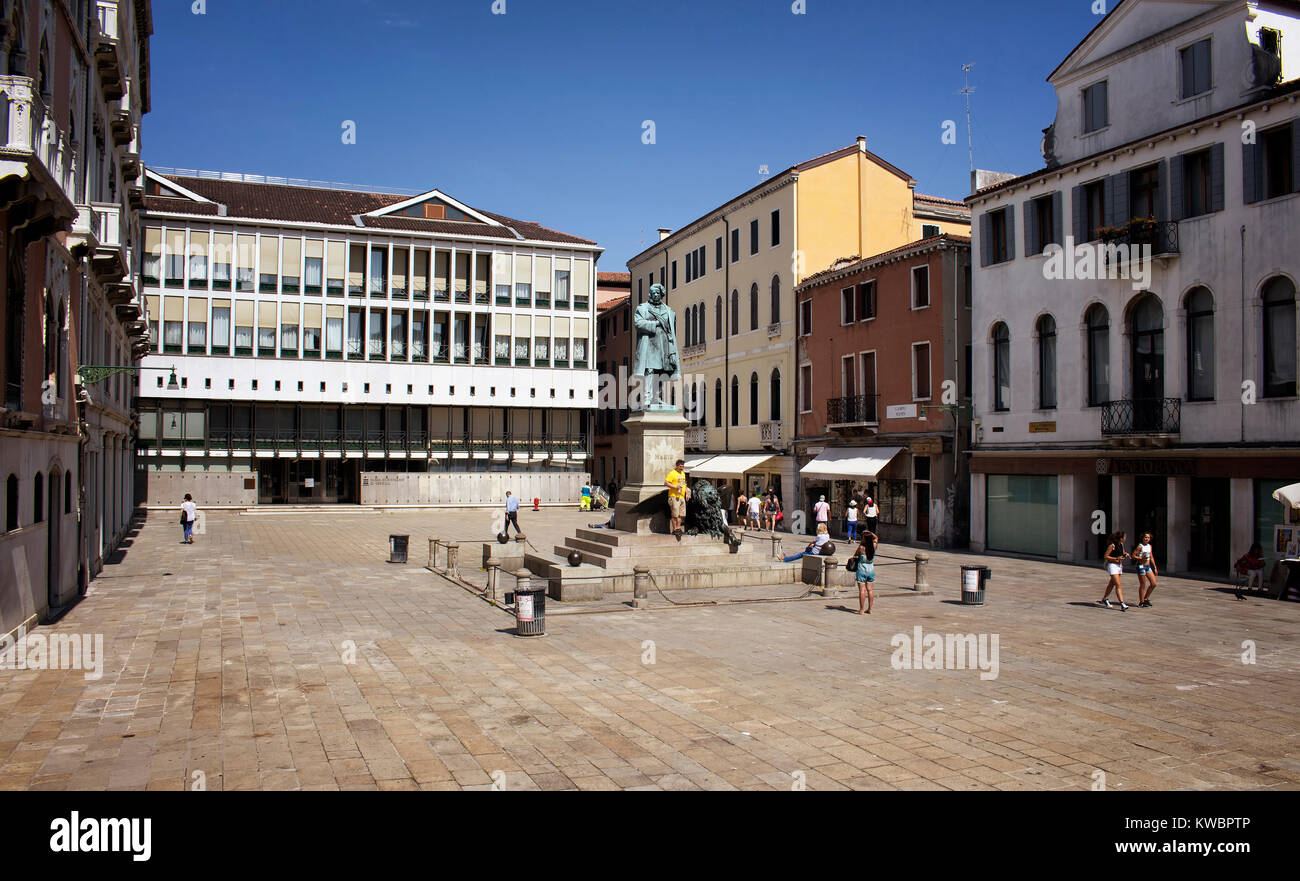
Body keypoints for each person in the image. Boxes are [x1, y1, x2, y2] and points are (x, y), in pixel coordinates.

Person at [848, 529, 879, 614]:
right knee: (870, 590)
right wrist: (870, 533)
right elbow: (876, 538)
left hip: (861, 569)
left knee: (862, 590)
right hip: (871, 569)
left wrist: (864, 536)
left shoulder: (861, 548)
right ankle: (870, 609)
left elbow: (855, 556)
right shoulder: (874, 546)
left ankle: (861, 609)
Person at [1098, 529, 1130, 610]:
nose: (1126, 538)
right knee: (1118, 585)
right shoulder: (1112, 546)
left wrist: (1125, 554)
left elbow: (1122, 552)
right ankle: (1122, 604)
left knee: (1112, 583)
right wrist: (1116, 558)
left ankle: (1105, 598)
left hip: (1119, 566)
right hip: (1112, 566)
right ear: (1121, 538)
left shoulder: (1121, 544)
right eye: (1125, 537)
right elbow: (1106, 556)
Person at [1134, 531, 1159, 607]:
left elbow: (1151, 557)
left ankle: (1146, 598)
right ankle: (1141, 602)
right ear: (1142, 538)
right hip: (1141, 566)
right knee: (1143, 584)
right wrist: (1140, 557)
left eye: (1148, 537)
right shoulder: (1140, 546)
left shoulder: (1149, 546)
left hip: (1148, 566)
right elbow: (1133, 555)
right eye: (1145, 537)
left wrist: (1154, 567)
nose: (1147, 539)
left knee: (1153, 583)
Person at [665, 458, 687, 539]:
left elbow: (684, 484)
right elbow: (666, 483)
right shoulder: (672, 473)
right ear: (677, 466)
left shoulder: (683, 473)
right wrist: (675, 486)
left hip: (681, 496)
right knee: (675, 514)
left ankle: (678, 528)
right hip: (674, 496)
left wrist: (687, 493)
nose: (682, 468)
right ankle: (674, 529)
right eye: (680, 466)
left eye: (683, 466)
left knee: (681, 514)